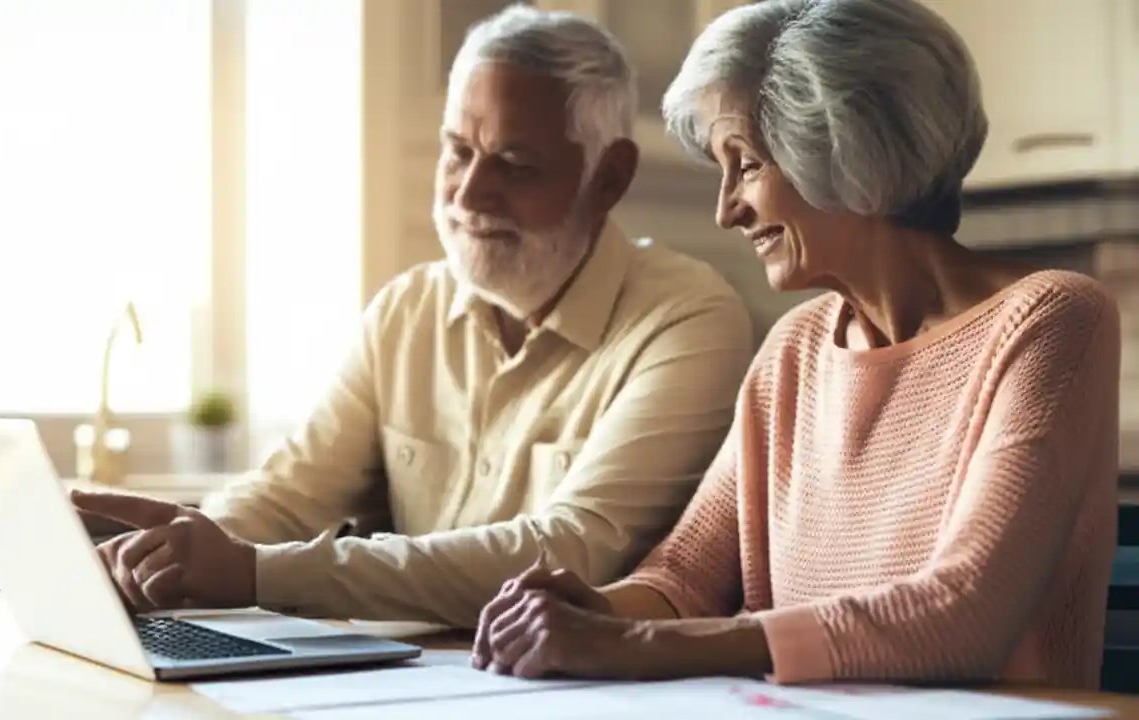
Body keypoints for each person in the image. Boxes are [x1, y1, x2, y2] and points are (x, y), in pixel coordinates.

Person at [472, 0, 1120, 688]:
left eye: (745, 165)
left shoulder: (1052, 320)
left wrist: (632, 642)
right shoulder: (796, 348)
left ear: (849, 149)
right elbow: (684, 578)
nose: (725, 209)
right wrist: (590, 610)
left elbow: (962, 614)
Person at [72, 6, 752, 628]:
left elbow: (572, 548)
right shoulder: (406, 309)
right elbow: (289, 496)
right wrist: (165, 557)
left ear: (609, 178)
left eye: (515, 165)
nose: (469, 192)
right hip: (394, 681)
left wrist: (250, 572)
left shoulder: (688, 318)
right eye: (457, 151)